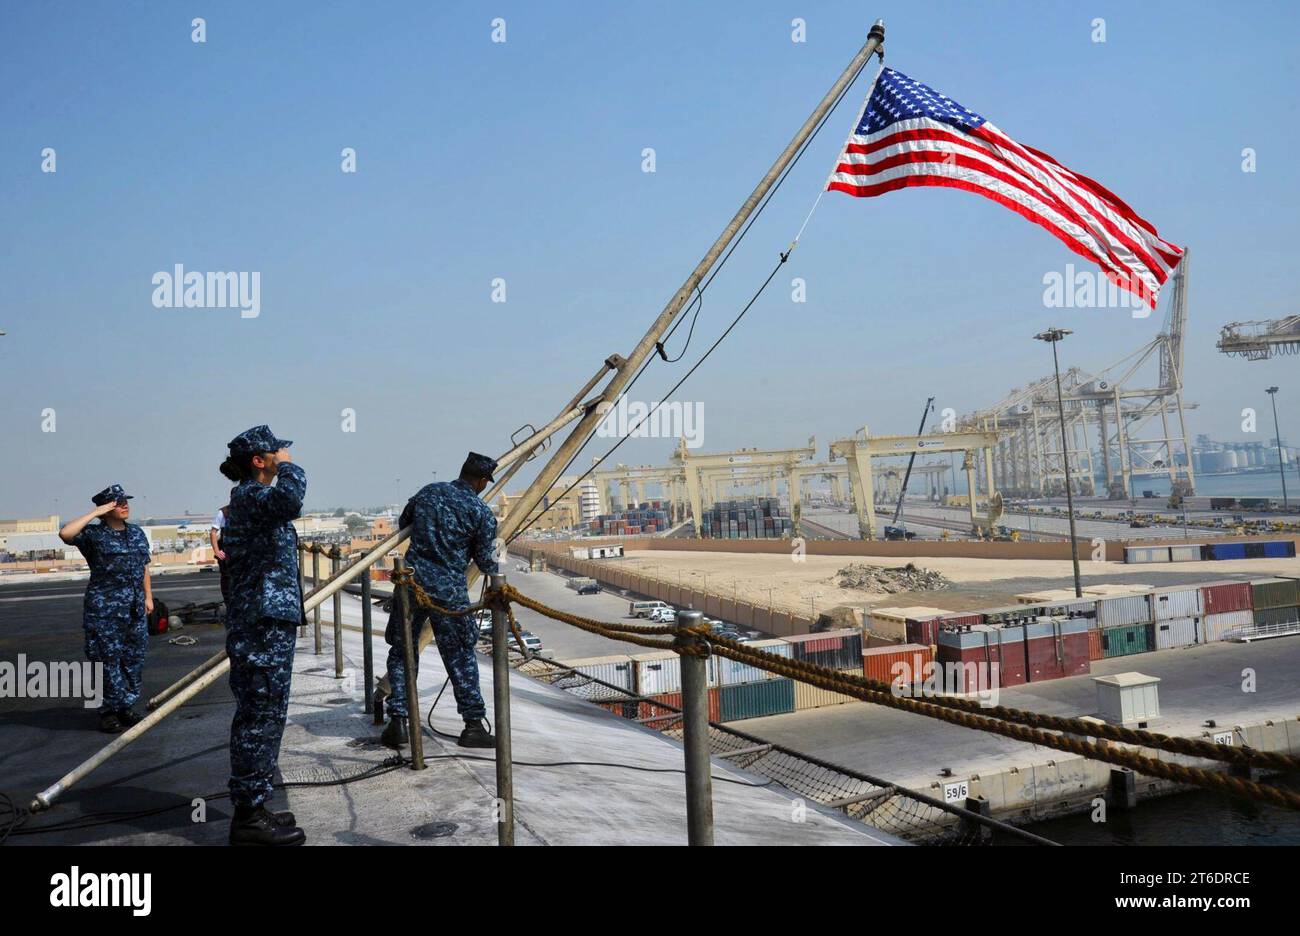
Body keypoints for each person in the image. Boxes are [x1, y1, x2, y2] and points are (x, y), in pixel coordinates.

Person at [218, 425, 308, 846]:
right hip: (260, 627)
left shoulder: (252, 501)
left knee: (267, 717)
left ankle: (255, 808)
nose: (282, 455)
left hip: (266, 623)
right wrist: (291, 468)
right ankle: (248, 819)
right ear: (259, 460)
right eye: (276, 451)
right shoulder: (251, 497)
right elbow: (290, 500)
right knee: (259, 718)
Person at [381, 451, 499, 750]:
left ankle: (398, 721)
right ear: (483, 481)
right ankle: (473, 725)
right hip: (448, 592)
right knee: (459, 656)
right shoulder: (481, 512)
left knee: (404, 650)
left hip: (411, 583)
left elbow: (404, 522)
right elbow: (486, 562)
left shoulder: (429, 492)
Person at [58, 484, 153, 733]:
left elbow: (144, 566)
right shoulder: (93, 536)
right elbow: (66, 534)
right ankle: (107, 711)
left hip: (134, 609)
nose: (124, 505)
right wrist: (95, 512)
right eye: (117, 502)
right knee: (105, 660)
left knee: (134, 658)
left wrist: (148, 597)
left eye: (125, 501)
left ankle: (125, 705)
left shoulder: (137, 533)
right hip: (105, 610)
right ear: (106, 508)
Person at [209, 504, 231, 606]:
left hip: (242, 552)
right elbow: (213, 532)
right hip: (227, 552)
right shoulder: (224, 512)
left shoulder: (247, 509)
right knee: (227, 578)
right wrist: (217, 551)